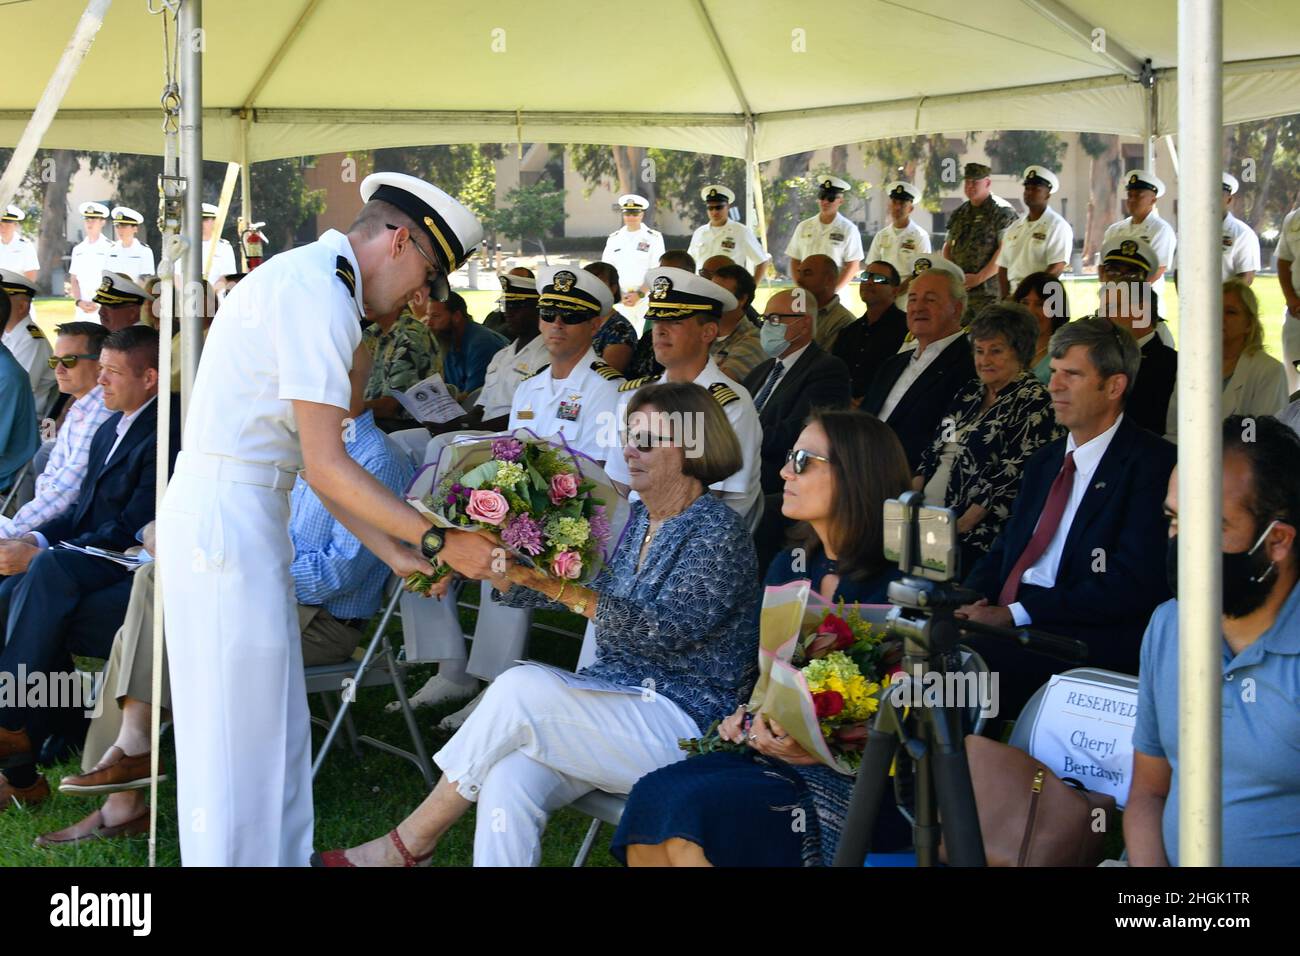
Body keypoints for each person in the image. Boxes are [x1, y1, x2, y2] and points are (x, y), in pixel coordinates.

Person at [158, 171, 487, 867]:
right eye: (426, 277)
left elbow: (315, 465)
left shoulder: (308, 275)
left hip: (246, 509)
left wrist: (396, 553)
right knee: (233, 740)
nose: (420, 302)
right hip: (228, 517)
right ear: (398, 241)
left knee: (270, 730)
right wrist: (436, 539)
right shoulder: (322, 294)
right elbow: (328, 465)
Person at [315, 382, 759, 867]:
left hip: (685, 725)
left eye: (647, 440)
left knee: (521, 687)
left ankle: (408, 843)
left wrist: (554, 588)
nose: (629, 449)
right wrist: (485, 568)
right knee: (508, 776)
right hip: (613, 707)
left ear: (694, 449)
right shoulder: (638, 520)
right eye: (628, 436)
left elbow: (663, 632)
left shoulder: (717, 532)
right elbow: (574, 589)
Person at [35, 353, 413, 846]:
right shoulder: (301, 444)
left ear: (357, 379)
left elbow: (335, 576)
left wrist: (245, 569)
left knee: (153, 619)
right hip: (267, 601)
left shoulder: (376, 459)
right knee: (157, 589)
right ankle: (130, 760)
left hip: (320, 625)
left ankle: (125, 784)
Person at [613, 410, 914, 867]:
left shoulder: (902, 586)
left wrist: (821, 747)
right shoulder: (791, 566)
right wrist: (748, 717)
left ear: (855, 474)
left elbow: (913, 718)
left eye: (802, 460)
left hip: (863, 781)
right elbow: (772, 680)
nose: (783, 471)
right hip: (773, 756)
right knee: (657, 794)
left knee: (698, 811)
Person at [960, 318, 1176, 719]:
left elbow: (1129, 584)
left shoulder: (1153, 466)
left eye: (1071, 375)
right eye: (1054, 372)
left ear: (1114, 386)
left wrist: (1014, 615)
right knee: (914, 637)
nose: (1053, 386)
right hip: (1013, 623)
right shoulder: (1046, 460)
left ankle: (944, 779)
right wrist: (968, 598)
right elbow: (1007, 548)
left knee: (955, 672)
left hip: (1080, 637)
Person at [0, 326, 178, 812]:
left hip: (134, 566)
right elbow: (82, 513)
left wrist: (46, 553)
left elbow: (130, 527)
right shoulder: (110, 425)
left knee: (44, 579)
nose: (100, 382)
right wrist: (33, 537)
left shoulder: (169, 430)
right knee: (11, 596)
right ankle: (26, 751)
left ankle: (13, 724)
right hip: (94, 557)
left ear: (150, 377)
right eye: (98, 370)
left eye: (112, 372)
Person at [1126, 415, 1300, 867]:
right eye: (1174, 520)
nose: (1183, 547)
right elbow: (1149, 790)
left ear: (1277, 540)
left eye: (1208, 528)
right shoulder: (1169, 626)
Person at [914, 303, 1063, 572]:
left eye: (996, 351)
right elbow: (937, 446)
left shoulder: (1035, 401)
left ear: (1020, 352)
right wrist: (910, 502)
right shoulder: (969, 393)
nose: (984, 360)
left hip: (974, 537)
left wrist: (956, 529)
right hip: (929, 521)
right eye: (979, 351)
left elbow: (1011, 480)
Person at [609, 267, 763, 524]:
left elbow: (723, 497)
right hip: (634, 533)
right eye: (657, 320)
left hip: (702, 542)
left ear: (708, 333)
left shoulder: (729, 404)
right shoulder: (632, 396)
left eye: (674, 321)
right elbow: (618, 483)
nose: (659, 330)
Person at [743, 288, 851, 563]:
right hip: (739, 472)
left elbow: (797, 434)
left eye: (776, 319)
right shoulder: (761, 371)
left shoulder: (827, 369)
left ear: (803, 323)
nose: (767, 326)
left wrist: (738, 440)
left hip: (778, 479)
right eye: (765, 319)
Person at [0, 322, 112, 538]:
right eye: (54, 361)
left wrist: (11, 533)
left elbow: (65, 492)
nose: (58, 370)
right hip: (51, 523)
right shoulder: (81, 406)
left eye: (69, 361)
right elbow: (50, 479)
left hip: (74, 531)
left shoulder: (101, 413)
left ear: (100, 365)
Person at [863, 257, 975, 471]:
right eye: (912, 299)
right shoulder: (892, 365)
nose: (917, 307)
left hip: (911, 480)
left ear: (957, 309)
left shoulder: (969, 365)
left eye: (930, 300)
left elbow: (950, 436)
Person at [1165, 279, 1287, 440]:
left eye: (1230, 312)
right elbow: (1175, 430)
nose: (1220, 319)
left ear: (1249, 324)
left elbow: (1261, 437)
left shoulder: (1269, 370)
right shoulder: (1192, 366)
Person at [1095, 237, 1176, 437]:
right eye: (1103, 309)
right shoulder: (1100, 348)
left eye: (1112, 308)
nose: (1103, 316)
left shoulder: (1170, 366)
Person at [943, 163, 1018, 323]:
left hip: (989, 295)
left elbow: (1005, 250)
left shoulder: (1002, 211)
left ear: (987, 183)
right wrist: (955, 277)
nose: (970, 186)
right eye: (967, 182)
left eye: (975, 182)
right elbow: (948, 247)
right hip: (961, 294)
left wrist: (978, 278)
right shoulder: (960, 213)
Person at [832, 260, 909, 403]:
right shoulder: (849, 331)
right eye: (866, 276)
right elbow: (835, 373)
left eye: (879, 279)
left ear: (895, 290)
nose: (869, 282)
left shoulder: (907, 329)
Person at [361, 296, 441, 433]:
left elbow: (389, 407)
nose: (365, 300)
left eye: (373, 294)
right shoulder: (371, 334)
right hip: (379, 421)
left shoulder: (410, 335)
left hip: (409, 427)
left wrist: (344, 410)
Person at [1102, 169, 1177, 309]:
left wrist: (1130, 295)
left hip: (1144, 303)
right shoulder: (1115, 230)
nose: (1131, 200)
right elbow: (1103, 266)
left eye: (1138, 196)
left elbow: (1158, 269)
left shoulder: (1161, 230)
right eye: (1129, 195)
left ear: (1153, 199)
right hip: (1113, 301)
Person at [996, 165, 1072, 300]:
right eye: (1027, 188)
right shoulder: (1015, 227)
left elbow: (1056, 267)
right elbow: (1003, 267)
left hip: (1041, 298)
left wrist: (1027, 295)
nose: (1029, 192)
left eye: (1036, 189)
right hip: (1013, 298)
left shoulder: (1057, 226)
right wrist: (1005, 298)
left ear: (1048, 194)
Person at [420, 290, 506, 404]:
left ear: (456, 316)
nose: (429, 323)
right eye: (428, 316)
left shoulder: (481, 344)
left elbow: (471, 398)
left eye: (436, 316)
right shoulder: (447, 340)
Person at [785, 176, 864, 298]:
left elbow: (853, 265)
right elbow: (795, 259)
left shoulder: (848, 229)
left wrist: (833, 291)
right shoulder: (804, 226)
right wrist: (801, 287)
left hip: (835, 294)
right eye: (822, 196)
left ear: (840, 201)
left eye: (831, 198)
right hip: (806, 294)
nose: (825, 201)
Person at [0, 269, 57, 417]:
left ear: (22, 307)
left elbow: (13, 389)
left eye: (3, 300)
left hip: (23, 419)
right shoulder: (8, 335)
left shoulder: (31, 341)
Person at [601, 194, 664, 327]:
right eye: (627, 213)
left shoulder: (654, 238)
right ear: (623, 215)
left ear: (642, 215)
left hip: (645, 300)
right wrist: (620, 294)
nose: (631, 218)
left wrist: (639, 294)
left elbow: (657, 271)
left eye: (635, 214)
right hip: (620, 300)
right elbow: (607, 270)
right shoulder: (614, 239)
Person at [687, 185, 770, 282]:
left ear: (728, 206)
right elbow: (690, 262)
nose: (714, 212)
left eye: (719, 207)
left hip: (728, 288)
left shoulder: (741, 231)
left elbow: (762, 261)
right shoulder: (700, 232)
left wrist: (751, 289)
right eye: (710, 208)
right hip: (702, 288)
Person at [865, 181, 930, 304]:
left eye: (902, 203)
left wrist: (897, 291)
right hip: (881, 296)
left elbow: (921, 272)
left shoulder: (920, 236)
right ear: (889, 205)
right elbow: (871, 267)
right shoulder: (881, 235)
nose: (897, 207)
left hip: (907, 299)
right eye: (894, 202)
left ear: (910, 208)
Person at [709, 263, 767, 382]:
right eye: (710, 292)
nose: (711, 299)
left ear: (742, 299)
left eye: (721, 294)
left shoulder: (753, 341)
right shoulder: (698, 331)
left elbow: (719, 386)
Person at [1012, 271, 1071, 385]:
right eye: (1025, 303)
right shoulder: (1009, 348)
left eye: (1040, 304)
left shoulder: (1065, 355)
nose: (1031, 311)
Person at [795, 253, 857, 350]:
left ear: (829, 280)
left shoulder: (844, 322)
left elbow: (824, 363)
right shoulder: (792, 311)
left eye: (807, 273)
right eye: (799, 273)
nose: (799, 280)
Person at [585, 261, 636, 374]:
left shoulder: (620, 330)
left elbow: (605, 376)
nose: (590, 289)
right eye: (586, 284)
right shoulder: (576, 320)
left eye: (598, 284)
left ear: (613, 289)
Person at [68, 201, 113, 317]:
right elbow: (74, 279)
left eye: (93, 219)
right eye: (87, 219)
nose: (89, 223)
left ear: (102, 222)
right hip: (82, 309)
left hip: (104, 308)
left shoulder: (111, 248)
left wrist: (99, 302)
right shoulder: (78, 249)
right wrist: (79, 302)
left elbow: (112, 280)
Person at [1220, 173, 1260, 284]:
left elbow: (1246, 278)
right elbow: (1179, 270)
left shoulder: (1243, 234)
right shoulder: (1192, 231)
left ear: (1229, 200)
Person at [1277, 202, 1300, 391]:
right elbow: (1284, 260)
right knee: (1292, 370)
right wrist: (1290, 297)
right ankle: (1290, 420)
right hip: (1297, 311)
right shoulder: (1293, 220)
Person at [102, 207, 155, 282]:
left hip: (135, 292)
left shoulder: (144, 251)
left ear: (135, 228)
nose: (119, 230)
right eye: (117, 226)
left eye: (123, 226)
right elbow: (107, 277)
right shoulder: (111, 250)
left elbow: (145, 281)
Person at [0, 205, 38, 283]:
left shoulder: (25, 246)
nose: (3, 229)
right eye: (0, 225)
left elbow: (31, 276)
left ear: (15, 226)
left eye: (7, 225)